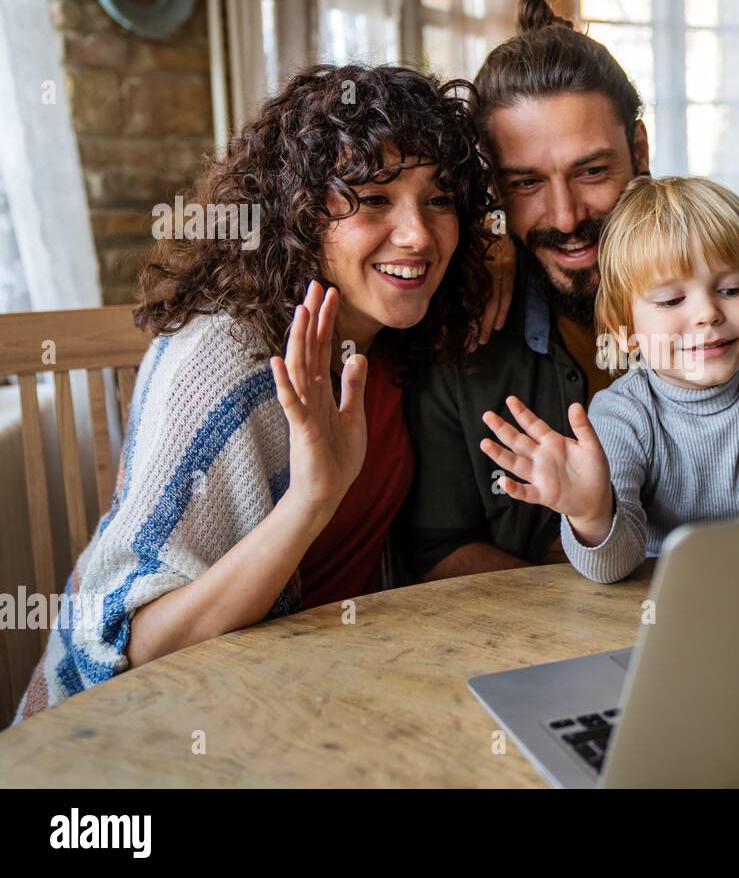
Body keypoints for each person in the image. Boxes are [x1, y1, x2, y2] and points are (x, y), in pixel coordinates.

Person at [14, 65, 493, 721]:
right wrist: (309, 501)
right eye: (374, 199)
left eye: (439, 200)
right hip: (169, 728)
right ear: (297, 212)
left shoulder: (399, 337)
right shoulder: (223, 361)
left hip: (337, 693)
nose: (417, 233)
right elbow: (134, 650)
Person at [403, 0, 739, 581]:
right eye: (527, 183)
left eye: (591, 171)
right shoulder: (461, 312)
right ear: (495, 186)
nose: (565, 216)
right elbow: (438, 552)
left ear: (639, 151)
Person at [479, 176, 739, 583]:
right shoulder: (622, 414)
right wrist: (592, 514)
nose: (707, 314)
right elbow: (616, 566)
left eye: (731, 289)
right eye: (672, 300)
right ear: (626, 328)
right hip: (672, 612)